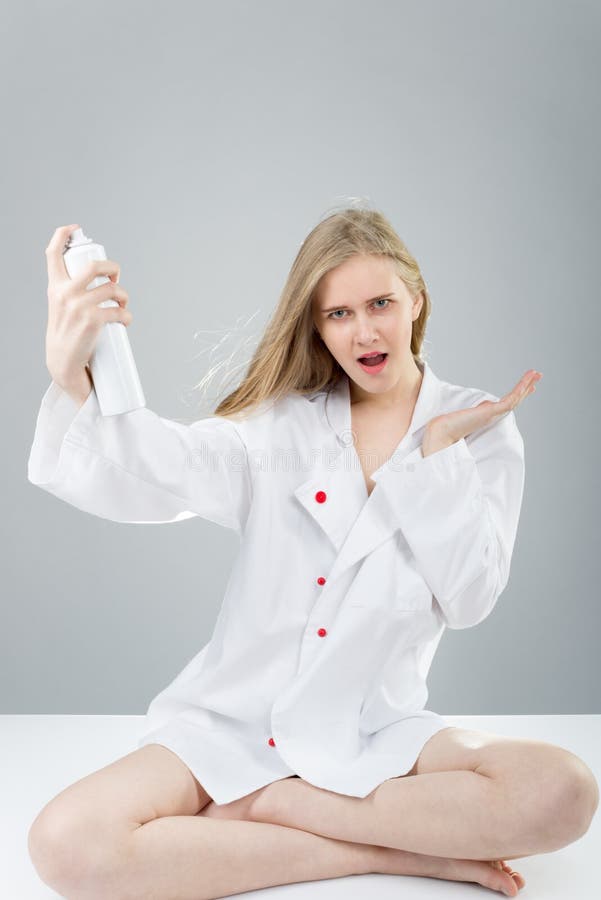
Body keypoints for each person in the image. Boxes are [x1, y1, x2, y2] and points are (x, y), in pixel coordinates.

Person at [26, 210, 597, 900]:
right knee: (65, 844)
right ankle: (393, 852)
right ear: (318, 327)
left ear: (416, 300)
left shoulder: (477, 429)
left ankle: (272, 806)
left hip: (372, 731)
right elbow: (161, 466)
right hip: (230, 727)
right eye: (338, 314)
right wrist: (73, 377)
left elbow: (471, 599)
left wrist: (438, 455)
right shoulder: (281, 424)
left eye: (380, 303)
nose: (364, 332)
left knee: (561, 791)